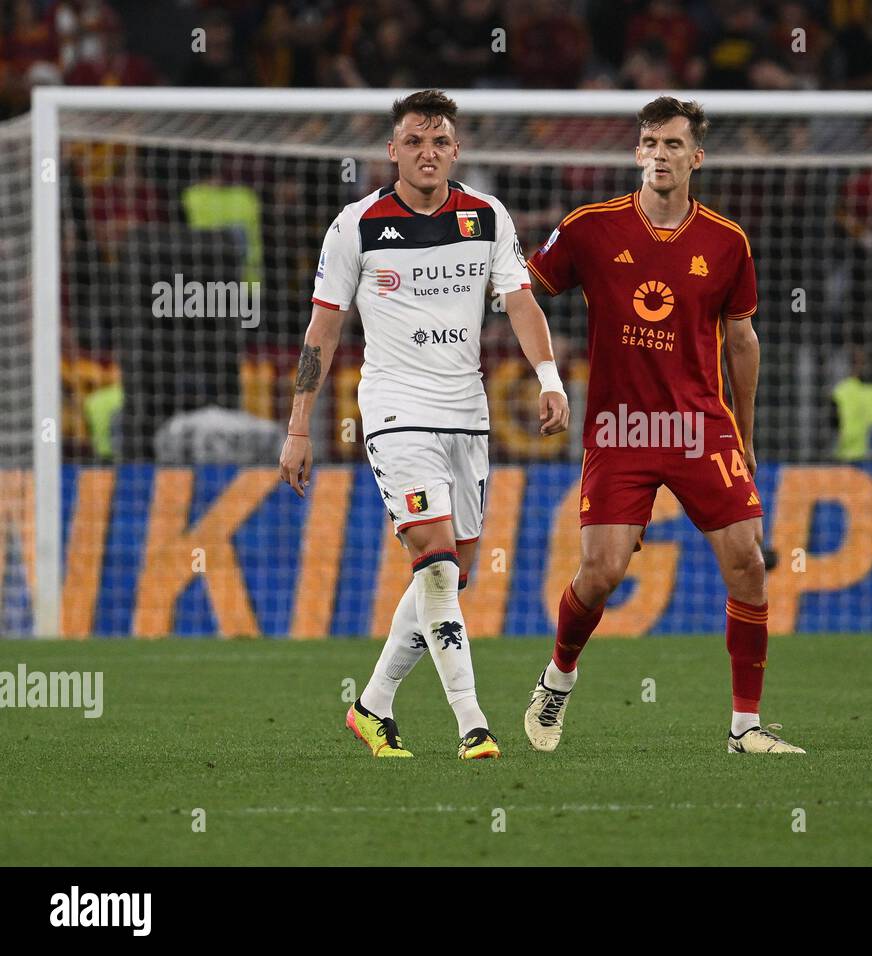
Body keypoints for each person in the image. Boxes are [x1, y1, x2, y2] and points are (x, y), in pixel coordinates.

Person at [278, 90, 569, 759]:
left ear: (455, 149)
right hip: (393, 412)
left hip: (467, 414)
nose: (428, 153)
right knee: (435, 562)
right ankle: (473, 724)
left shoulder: (487, 217)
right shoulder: (356, 226)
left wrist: (549, 379)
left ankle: (372, 707)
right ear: (392, 150)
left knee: (451, 574)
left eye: (439, 141)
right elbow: (322, 331)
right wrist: (299, 426)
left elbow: (521, 302)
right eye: (414, 141)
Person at [524, 96, 804, 755]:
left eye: (673, 145)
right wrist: (547, 372)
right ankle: (557, 682)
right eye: (649, 142)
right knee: (602, 573)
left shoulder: (726, 242)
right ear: (635, 153)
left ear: (695, 158)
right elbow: (523, 290)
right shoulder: (590, 228)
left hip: (700, 428)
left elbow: (742, 339)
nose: (659, 154)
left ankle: (745, 728)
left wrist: (745, 432)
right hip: (620, 430)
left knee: (748, 564)